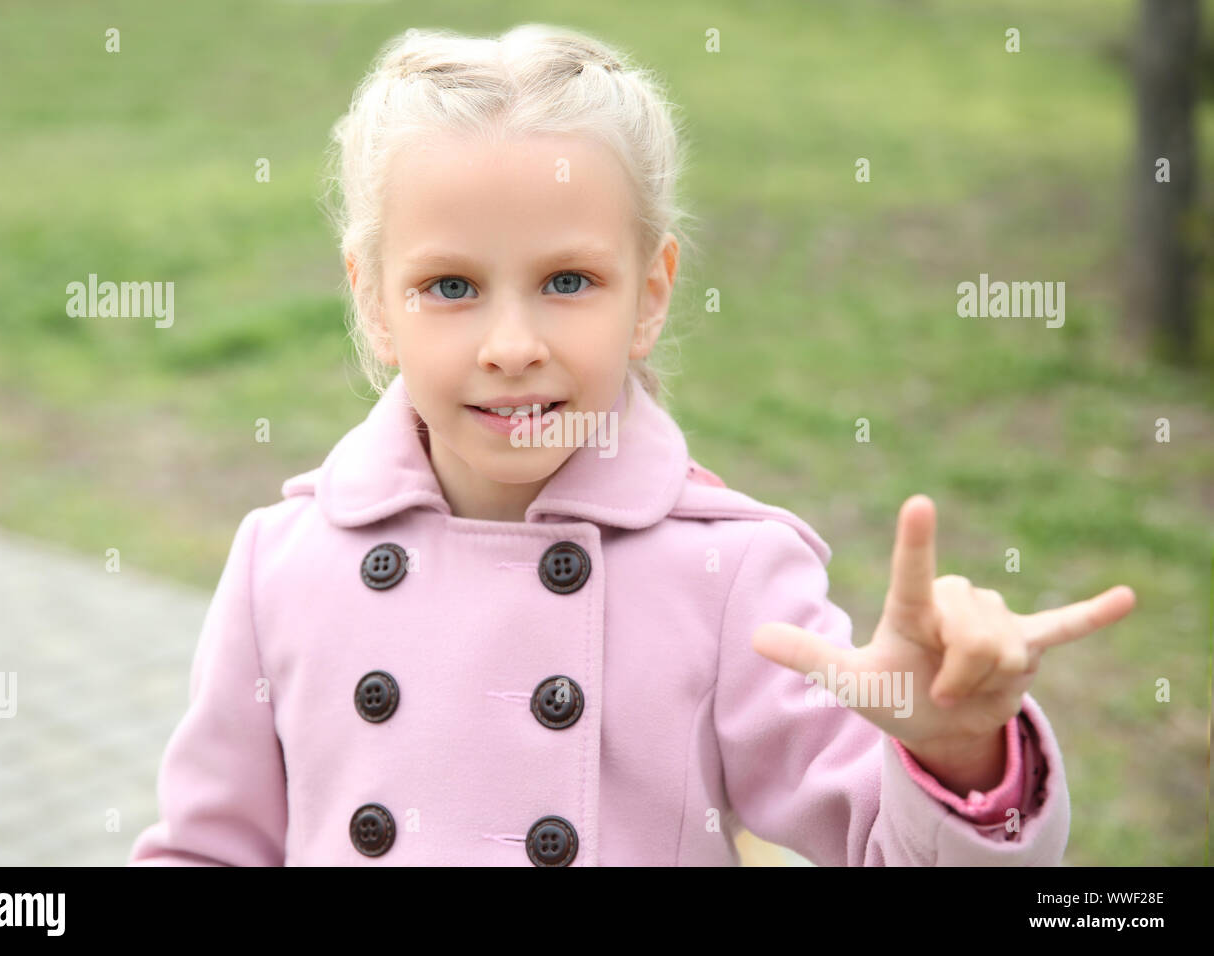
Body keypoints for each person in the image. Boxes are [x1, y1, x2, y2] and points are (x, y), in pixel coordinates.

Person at [128, 24, 1134, 866]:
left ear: (649, 294)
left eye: (568, 281)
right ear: (372, 297)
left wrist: (957, 751)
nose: (512, 346)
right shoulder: (281, 559)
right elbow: (209, 849)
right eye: (449, 286)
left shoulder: (729, 570)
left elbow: (889, 847)